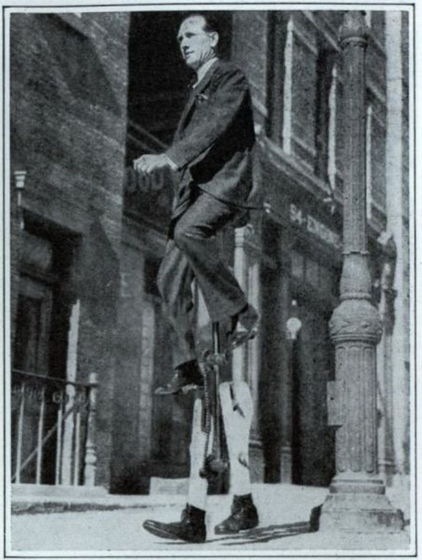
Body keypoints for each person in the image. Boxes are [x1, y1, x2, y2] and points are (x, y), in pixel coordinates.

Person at [134, 13, 260, 542]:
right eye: (178, 37)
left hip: (222, 194)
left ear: (212, 38)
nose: (182, 42)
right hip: (194, 204)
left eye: (191, 34)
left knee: (224, 386)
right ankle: (231, 506)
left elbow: (212, 132)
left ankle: (239, 311)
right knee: (168, 277)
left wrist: (168, 157)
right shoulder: (194, 89)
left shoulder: (229, 77)